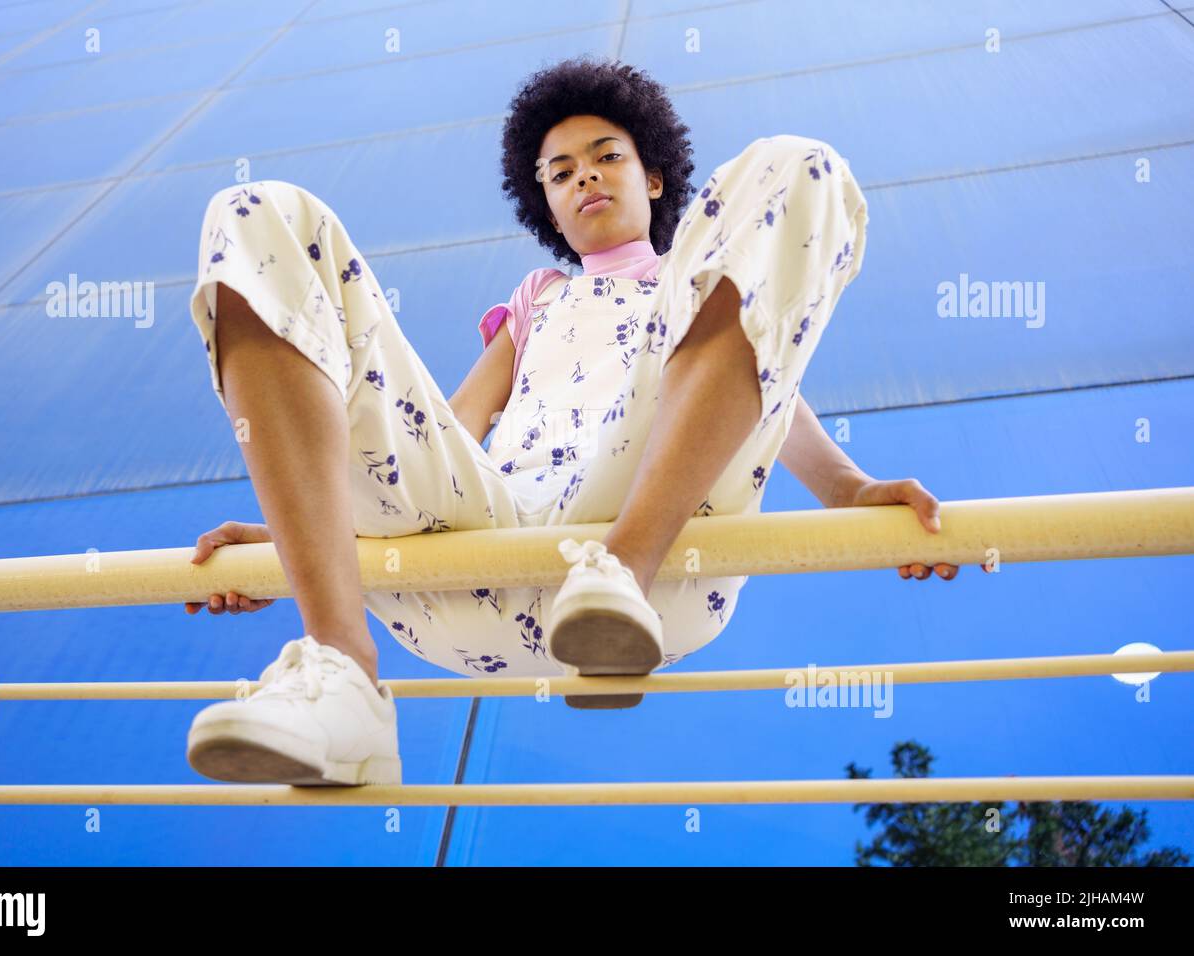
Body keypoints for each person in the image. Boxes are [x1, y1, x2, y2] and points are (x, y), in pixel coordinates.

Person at [181, 55, 972, 787]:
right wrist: (299, 535)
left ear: (655, 178)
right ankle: (343, 677)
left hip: (651, 545)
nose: (584, 176)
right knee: (256, 213)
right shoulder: (539, 299)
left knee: (803, 165)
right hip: (476, 562)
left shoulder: (698, 290)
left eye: (606, 156)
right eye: (560, 173)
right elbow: (440, 437)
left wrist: (848, 489)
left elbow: (769, 396)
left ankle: (615, 580)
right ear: (549, 207)